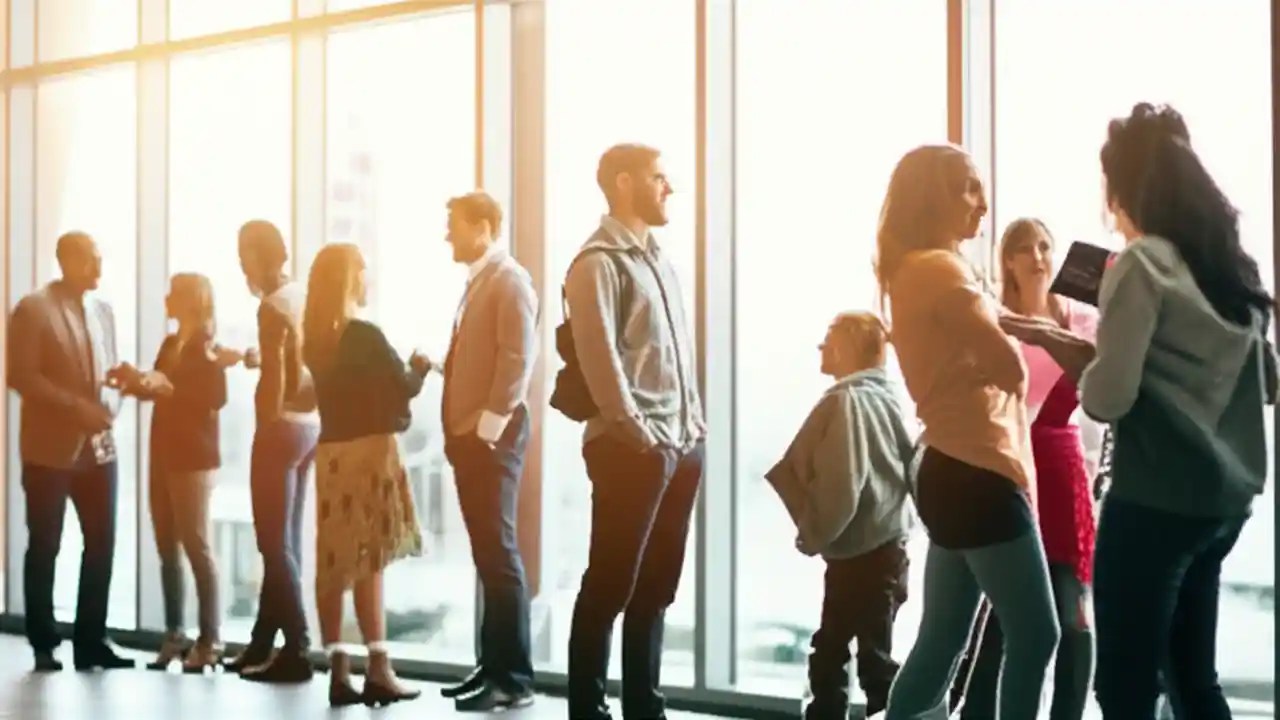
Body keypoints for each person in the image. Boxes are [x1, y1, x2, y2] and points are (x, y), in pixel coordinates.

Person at [1001, 103, 1275, 720]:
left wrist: (1079, 356)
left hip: (1153, 502)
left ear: (1127, 186)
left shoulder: (1142, 265)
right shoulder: (1233, 270)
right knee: (1193, 681)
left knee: (1124, 688)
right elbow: (1259, 383)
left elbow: (1106, 397)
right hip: (1222, 505)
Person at [874, 145, 1060, 720]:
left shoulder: (916, 269)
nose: (982, 202)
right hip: (977, 472)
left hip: (950, 466)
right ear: (933, 196)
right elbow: (1010, 365)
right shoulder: (941, 269)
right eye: (968, 188)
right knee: (1037, 636)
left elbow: (994, 333)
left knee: (940, 642)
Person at [563, 143, 706, 720]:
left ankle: (645, 706)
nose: (669, 188)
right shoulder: (595, 263)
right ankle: (587, 709)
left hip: (681, 443)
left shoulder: (659, 261)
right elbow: (602, 364)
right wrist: (640, 434)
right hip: (632, 449)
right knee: (610, 585)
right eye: (658, 178)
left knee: (657, 589)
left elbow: (678, 357)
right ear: (624, 183)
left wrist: (692, 429)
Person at [951, 219, 1099, 720]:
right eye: (1025, 248)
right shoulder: (997, 323)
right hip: (1013, 466)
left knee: (1075, 617)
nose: (1038, 256)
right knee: (1002, 617)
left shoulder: (1081, 317)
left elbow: (1105, 376)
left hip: (1065, 471)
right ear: (1008, 260)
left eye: (1045, 246)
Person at [765, 312, 915, 719]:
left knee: (835, 653)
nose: (820, 347)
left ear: (848, 344)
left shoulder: (844, 403)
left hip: (855, 554)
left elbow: (841, 485)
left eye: (828, 339)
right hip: (891, 548)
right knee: (873, 652)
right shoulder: (888, 399)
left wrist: (812, 534)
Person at [302, 242, 426, 708]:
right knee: (369, 560)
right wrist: (419, 366)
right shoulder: (365, 336)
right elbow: (401, 388)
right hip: (370, 454)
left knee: (334, 560)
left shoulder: (314, 339)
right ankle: (379, 668)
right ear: (351, 280)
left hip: (331, 455)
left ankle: (338, 668)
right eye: (363, 272)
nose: (368, 279)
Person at [6, 231, 136, 672]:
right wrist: (76, 408)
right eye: (90, 261)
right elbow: (22, 376)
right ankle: (44, 643)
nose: (99, 269)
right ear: (66, 261)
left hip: (100, 447)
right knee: (46, 544)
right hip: (49, 450)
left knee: (102, 543)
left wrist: (124, 386)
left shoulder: (104, 312)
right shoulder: (34, 309)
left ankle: (91, 640)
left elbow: (106, 371)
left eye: (101, 259)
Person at [436, 192, 540, 712]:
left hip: (490, 439)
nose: (446, 234)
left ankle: (515, 679)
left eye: (453, 225)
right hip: (472, 437)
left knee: (499, 554)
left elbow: (519, 356)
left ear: (483, 227)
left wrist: (487, 427)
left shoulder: (510, 279)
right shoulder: (480, 281)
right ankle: (492, 667)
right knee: (487, 554)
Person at [111, 273, 241, 672]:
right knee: (167, 546)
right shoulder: (172, 345)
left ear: (189, 300)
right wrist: (133, 382)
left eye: (173, 293)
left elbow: (214, 398)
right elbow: (158, 386)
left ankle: (210, 639)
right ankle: (175, 635)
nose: (165, 299)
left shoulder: (207, 348)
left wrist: (169, 388)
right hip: (163, 453)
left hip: (193, 458)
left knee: (197, 546)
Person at [225, 220, 320, 683]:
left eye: (244, 254)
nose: (241, 264)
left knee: (272, 541)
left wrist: (264, 425)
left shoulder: (270, 309)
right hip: (310, 428)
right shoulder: (302, 297)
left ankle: (298, 645)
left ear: (259, 256)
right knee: (286, 539)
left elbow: (276, 383)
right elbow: (304, 363)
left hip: (280, 430)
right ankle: (264, 640)